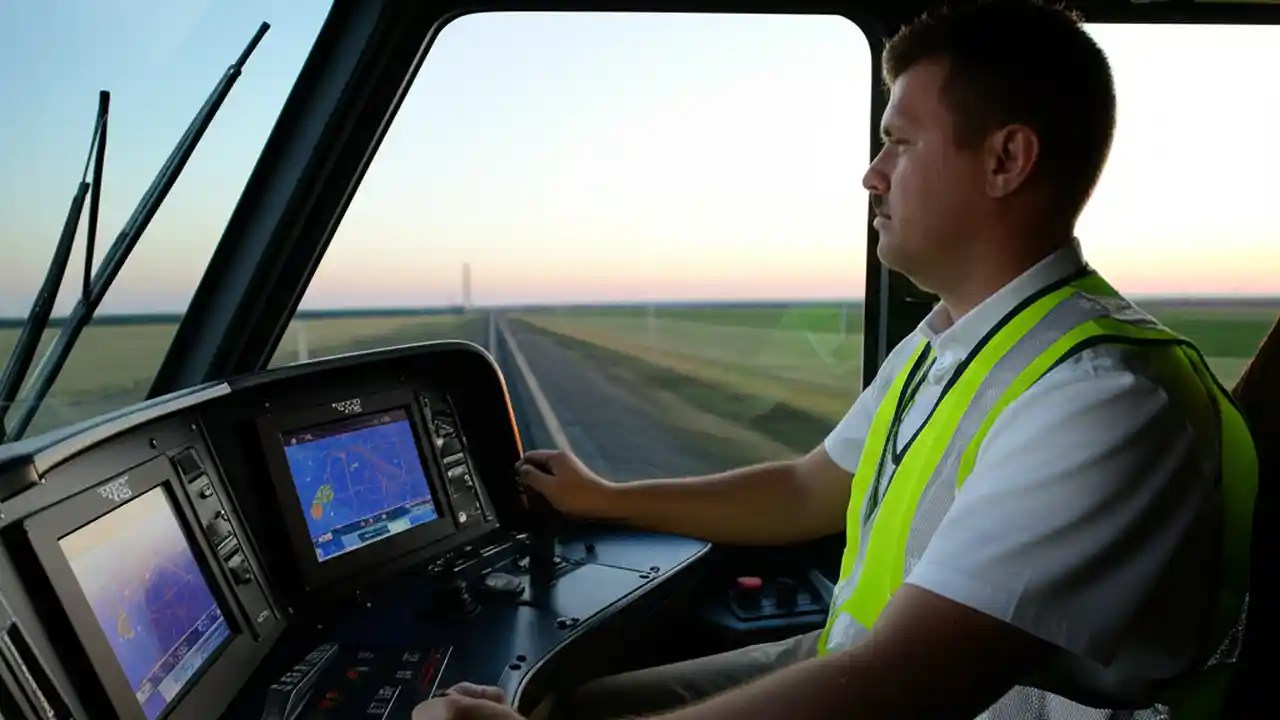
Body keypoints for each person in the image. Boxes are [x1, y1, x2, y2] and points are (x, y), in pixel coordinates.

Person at [413, 1, 1257, 718]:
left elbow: (899, 687)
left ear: (1005, 160)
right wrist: (607, 498)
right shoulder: (954, 343)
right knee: (565, 701)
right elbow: (808, 488)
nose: (871, 175)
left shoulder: (1099, 399)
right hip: (850, 655)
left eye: (900, 143)